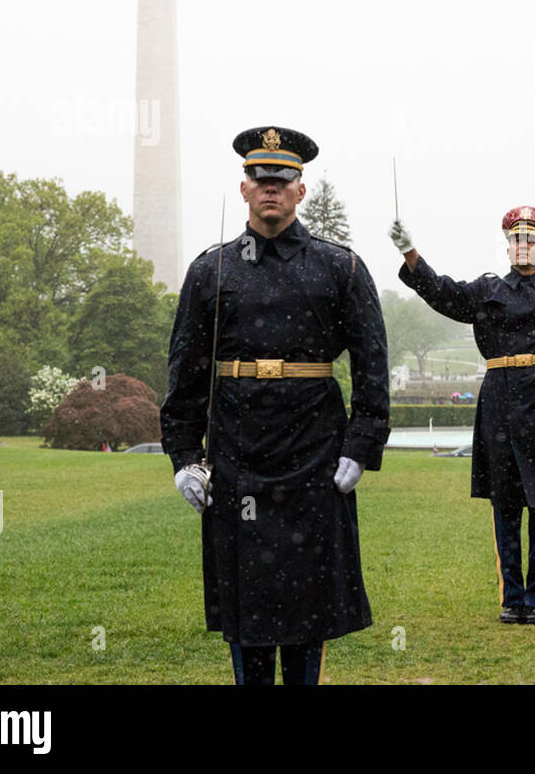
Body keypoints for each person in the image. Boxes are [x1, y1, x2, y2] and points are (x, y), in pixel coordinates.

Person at [161, 126, 390, 685]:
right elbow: (185, 375)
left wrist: (361, 446)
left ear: (300, 190)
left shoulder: (342, 267)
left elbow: (372, 367)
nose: (271, 190)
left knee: (311, 601)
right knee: (245, 603)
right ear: (244, 188)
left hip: (314, 455)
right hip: (236, 454)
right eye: (260, 180)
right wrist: (185, 457)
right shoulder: (210, 270)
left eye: (282, 181)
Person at [390, 201, 535, 624]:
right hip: (500, 400)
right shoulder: (486, 289)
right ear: (507, 245)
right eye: (515, 239)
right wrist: (411, 254)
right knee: (506, 503)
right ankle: (512, 596)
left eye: (531, 239)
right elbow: (443, 292)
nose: (522, 246)